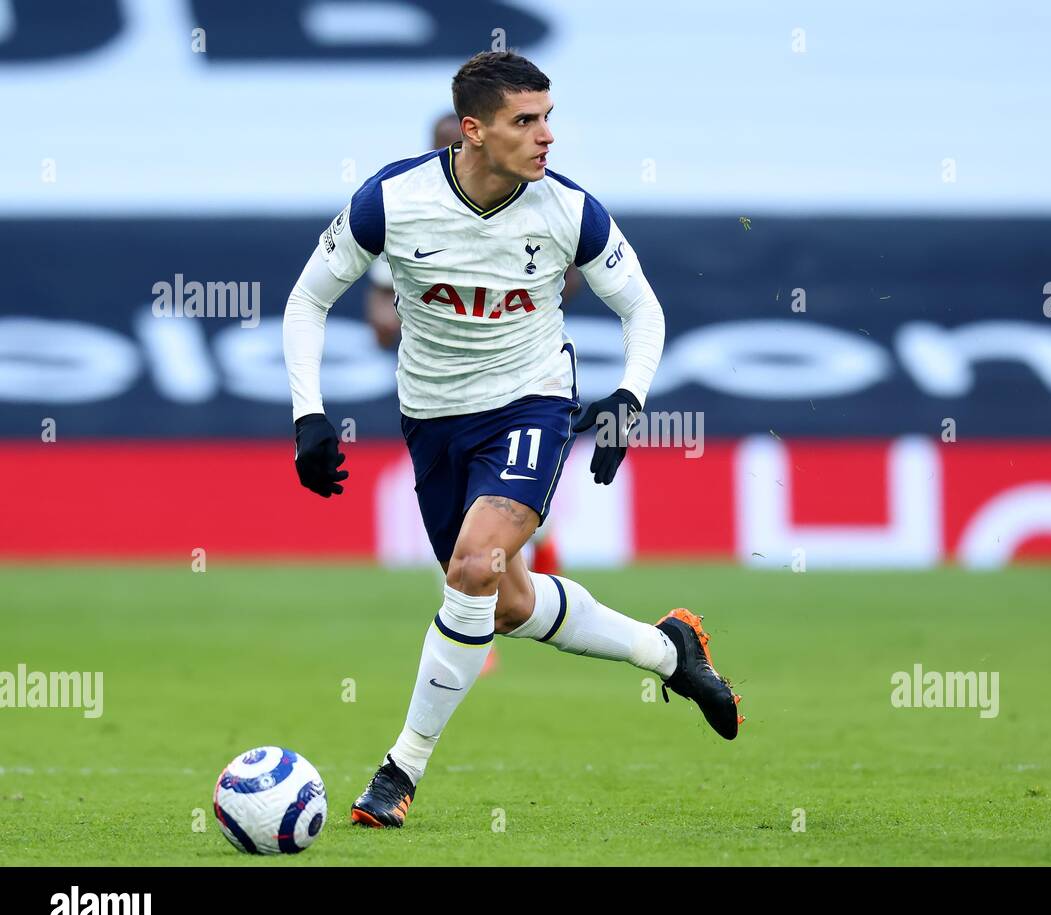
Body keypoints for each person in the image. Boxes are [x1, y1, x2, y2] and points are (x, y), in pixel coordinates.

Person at [282, 51, 743, 829]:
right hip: (431, 417)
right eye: (525, 121)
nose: (546, 137)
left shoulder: (568, 211)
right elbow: (307, 300)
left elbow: (645, 312)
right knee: (504, 602)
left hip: (530, 405)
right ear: (474, 130)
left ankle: (400, 772)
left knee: (472, 567)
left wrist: (629, 396)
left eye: (549, 118)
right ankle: (669, 652)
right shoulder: (391, 200)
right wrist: (308, 414)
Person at [367, 110, 570, 577]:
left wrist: (508, 291)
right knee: (468, 527)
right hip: (440, 387)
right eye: (441, 148)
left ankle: (518, 577)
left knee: (493, 518)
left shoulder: (539, 209)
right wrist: (432, 312)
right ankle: (496, 605)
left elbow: (573, 276)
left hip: (521, 376)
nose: (451, 157)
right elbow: (377, 314)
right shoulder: (408, 220)